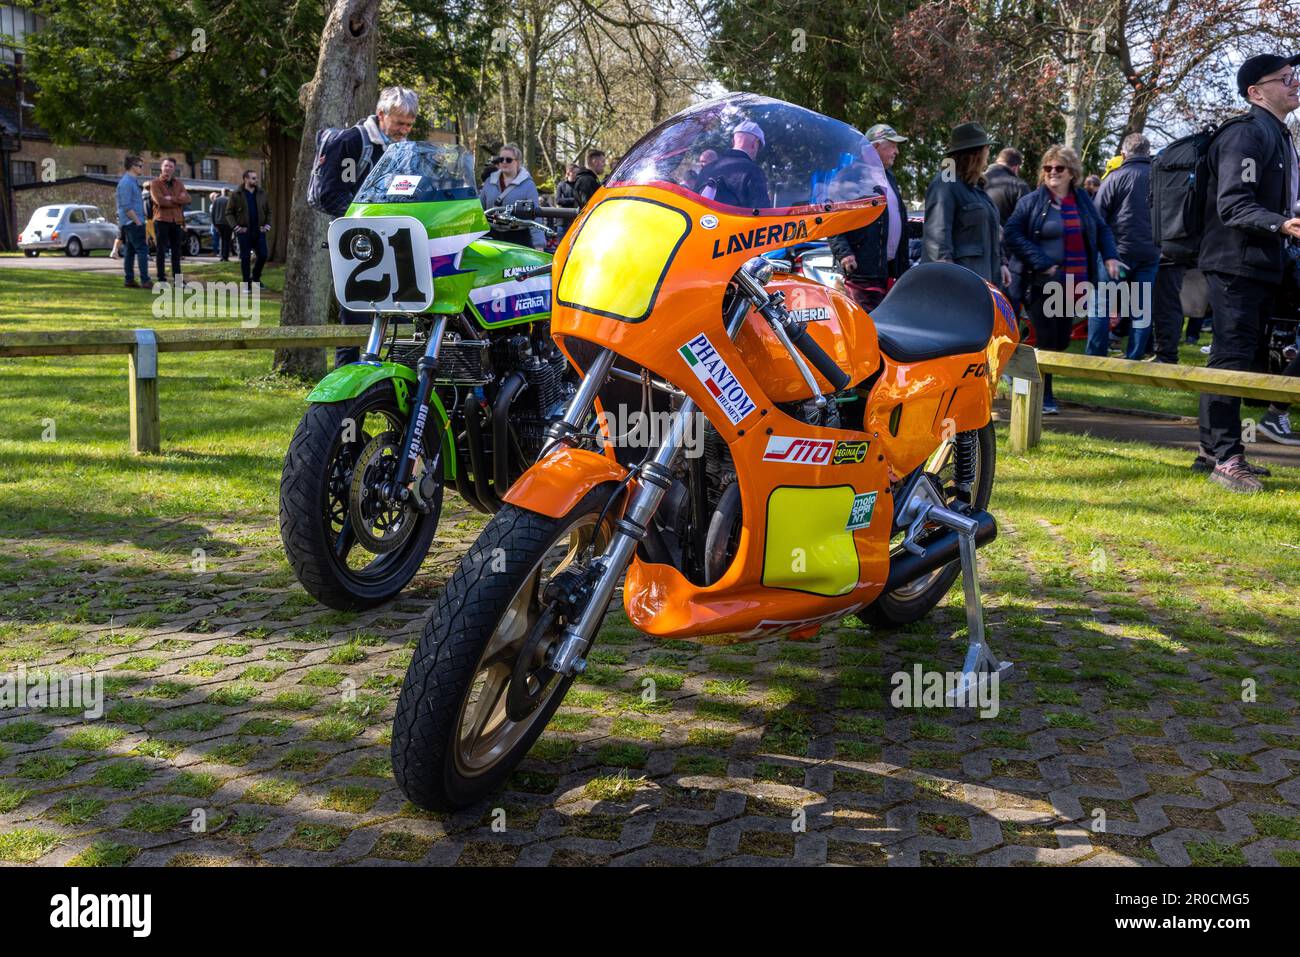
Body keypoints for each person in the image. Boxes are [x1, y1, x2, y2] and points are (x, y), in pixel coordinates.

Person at [1195, 53, 1300, 488]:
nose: (1294, 83)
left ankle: (1213, 452)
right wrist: (1281, 224)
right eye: (1284, 79)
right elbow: (1233, 204)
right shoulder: (1245, 134)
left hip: (1262, 264)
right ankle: (1224, 457)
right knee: (1230, 358)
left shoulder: (1278, 133)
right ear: (1256, 92)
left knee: (1249, 357)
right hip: (1236, 265)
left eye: (1294, 76)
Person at [1004, 144, 1121, 415]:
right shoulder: (1031, 201)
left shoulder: (1081, 201)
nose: (1052, 173)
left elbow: (1101, 229)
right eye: (1048, 168)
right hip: (1039, 284)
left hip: (1072, 284)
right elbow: (1012, 233)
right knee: (1045, 340)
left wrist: (1110, 257)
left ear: (1072, 172)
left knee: (1060, 341)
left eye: (1059, 168)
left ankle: (1030, 385)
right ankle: (1043, 398)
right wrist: (1042, 263)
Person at [317, 86, 419, 367]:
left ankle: (394, 395)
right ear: (381, 114)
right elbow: (332, 194)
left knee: (401, 319)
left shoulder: (403, 149)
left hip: (393, 246)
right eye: (399, 123)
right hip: (354, 247)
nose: (404, 130)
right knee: (355, 324)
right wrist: (368, 220)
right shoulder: (352, 142)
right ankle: (347, 402)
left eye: (409, 125)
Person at [827, 123, 909, 311]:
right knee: (867, 328)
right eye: (893, 145)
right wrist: (844, 253)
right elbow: (832, 220)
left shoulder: (888, 177)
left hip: (888, 272)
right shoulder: (849, 176)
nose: (897, 151)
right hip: (861, 274)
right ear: (876, 146)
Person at [1094, 133, 1160, 359]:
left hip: (1116, 252)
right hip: (1149, 251)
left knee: (1102, 303)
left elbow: (1097, 215)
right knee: (1142, 308)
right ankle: (1135, 357)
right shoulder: (1160, 180)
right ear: (1148, 152)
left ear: (1123, 154)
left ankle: (1095, 356)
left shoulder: (1114, 177)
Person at [922, 121, 1008, 286]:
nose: (988, 154)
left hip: (985, 281)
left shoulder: (976, 188)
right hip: (961, 287)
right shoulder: (945, 183)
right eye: (986, 149)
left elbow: (990, 230)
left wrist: (1002, 263)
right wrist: (948, 280)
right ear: (976, 154)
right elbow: (937, 239)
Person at [984, 147, 1033, 309]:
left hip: (982, 254)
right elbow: (1029, 224)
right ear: (1016, 167)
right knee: (1008, 308)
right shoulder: (1018, 186)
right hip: (1011, 258)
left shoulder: (976, 181)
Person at [478, 143, 544, 248]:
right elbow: (479, 209)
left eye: (508, 160)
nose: (504, 162)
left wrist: (539, 245)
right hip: (492, 238)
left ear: (518, 162)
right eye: (501, 159)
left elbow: (535, 217)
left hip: (518, 238)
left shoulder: (528, 185)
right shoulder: (489, 182)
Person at [695, 120, 770, 210]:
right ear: (755, 143)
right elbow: (762, 213)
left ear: (733, 141)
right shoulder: (754, 172)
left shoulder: (707, 169)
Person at [225, 169, 271, 287]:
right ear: (246, 179)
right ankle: (246, 282)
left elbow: (268, 211)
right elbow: (229, 213)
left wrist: (267, 225)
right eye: (253, 178)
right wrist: (236, 227)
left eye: (256, 178)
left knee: (263, 255)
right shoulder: (236, 194)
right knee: (245, 257)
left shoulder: (262, 193)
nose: (256, 180)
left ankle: (255, 277)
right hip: (244, 231)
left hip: (259, 231)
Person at [149, 157, 189, 284]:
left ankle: (178, 281)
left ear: (174, 169)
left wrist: (170, 198)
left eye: (170, 166)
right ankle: (161, 279)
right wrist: (178, 200)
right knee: (161, 251)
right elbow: (160, 201)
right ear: (161, 167)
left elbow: (187, 199)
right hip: (161, 220)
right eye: (165, 165)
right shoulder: (155, 183)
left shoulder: (179, 184)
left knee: (176, 252)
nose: (168, 168)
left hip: (176, 221)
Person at [115, 155, 150, 289]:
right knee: (142, 250)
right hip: (133, 223)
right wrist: (138, 222)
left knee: (130, 251)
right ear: (132, 167)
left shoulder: (132, 181)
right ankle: (145, 280)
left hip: (132, 222)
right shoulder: (126, 183)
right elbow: (126, 205)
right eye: (140, 166)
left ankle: (129, 279)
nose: (142, 168)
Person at [211, 190, 231, 261]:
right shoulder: (229, 200)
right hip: (227, 222)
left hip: (218, 223)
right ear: (227, 193)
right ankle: (225, 256)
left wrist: (214, 223)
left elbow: (213, 213)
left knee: (222, 239)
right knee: (227, 240)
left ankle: (222, 256)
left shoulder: (216, 201)